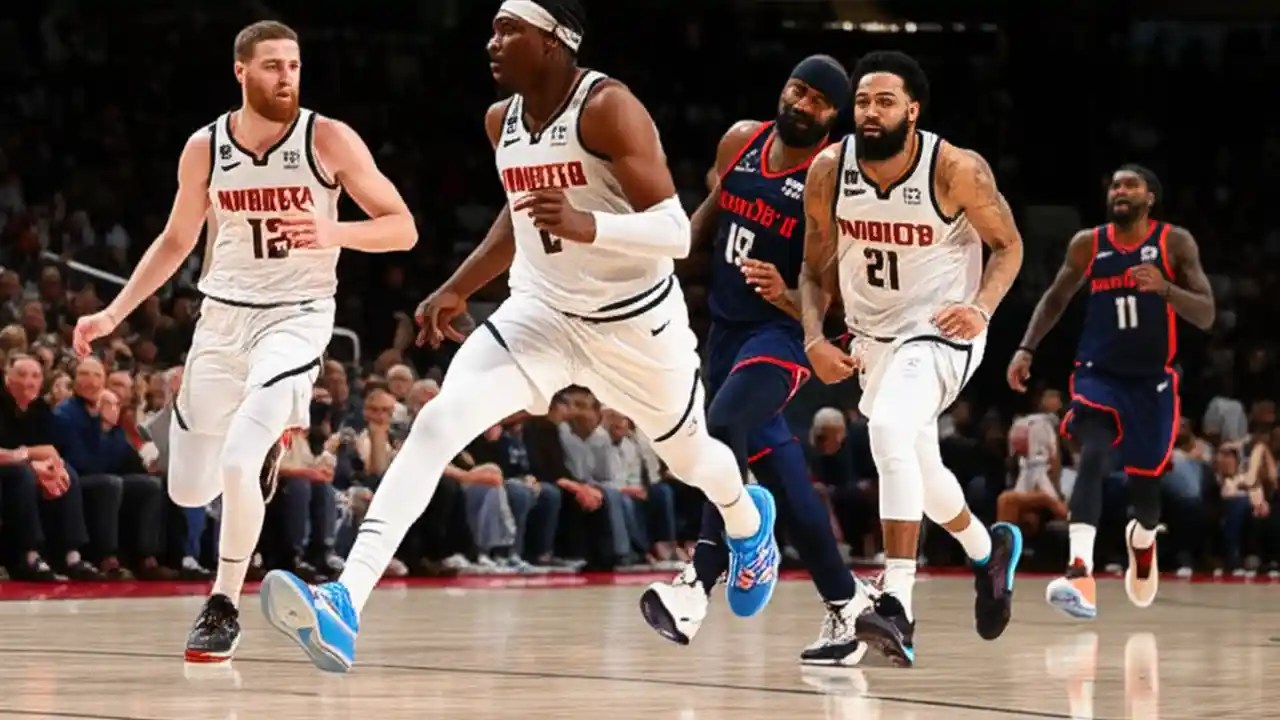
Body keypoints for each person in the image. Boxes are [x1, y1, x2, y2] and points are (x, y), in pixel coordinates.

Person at [258, 0, 780, 674]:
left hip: (632, 320)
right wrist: (460, 284)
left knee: (690, 458)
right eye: (494, 28)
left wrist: (590, 225)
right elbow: (519, 213)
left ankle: (747, 521)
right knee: (438, 422)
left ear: (556, 42)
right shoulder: (500, 119)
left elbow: (676, 232)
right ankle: (344, 604)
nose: (492, 42)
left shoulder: (609, 107)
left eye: (510, 30)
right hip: (539, 311)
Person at [71, 20, 417, 663]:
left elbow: (403, 229)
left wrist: (331, 231)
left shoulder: (329, 138)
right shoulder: (205, 148)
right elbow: (176, 241)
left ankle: (222, 602)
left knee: (237, 460)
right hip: (222, 318)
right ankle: (226, 444)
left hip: (296, 317)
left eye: (294, 65)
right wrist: (115, 314)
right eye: (272, 66)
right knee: (188, 489)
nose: (286, 76)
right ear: (241, 71)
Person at [639, 55, 870, 666]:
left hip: (788, 332)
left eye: (818, 101)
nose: (802, 103)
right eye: (798, 89)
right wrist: (651, 260)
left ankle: (699, 581)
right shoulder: (742, 140)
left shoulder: (836, 175)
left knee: (724, 426)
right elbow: (702, 227)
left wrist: (791, 297)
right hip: (727, 331)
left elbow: (852, 291)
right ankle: (849, 610)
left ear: (833, 117)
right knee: (789, 484)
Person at [799, 50, 1024, 667]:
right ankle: (988, 550)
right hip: (873, 339)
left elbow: (1008, 246)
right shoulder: (829, 169)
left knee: (892, 430)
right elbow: (814, 265)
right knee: (920, 471)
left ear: (913, 110)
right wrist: (814, 337)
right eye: (863, 101)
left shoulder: (955, 169)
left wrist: (981, 307)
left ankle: (895, 598)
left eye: (885, 101)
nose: (870, 112)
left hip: (944, 327)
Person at [1006, 164, 1213, 618]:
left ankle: (1142, 542)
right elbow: (1056, 298)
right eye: (1115, 185)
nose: (1119, 191)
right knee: (1094, 453)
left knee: (1146, 495)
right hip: (1098, 374)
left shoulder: (1173, 242)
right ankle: (1080, 569)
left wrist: (1165, 289)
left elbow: (1206, 314)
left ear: (1150, 198)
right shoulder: (1088, 244)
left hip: (1151, 383)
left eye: (1130, 185)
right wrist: (1026, 348)